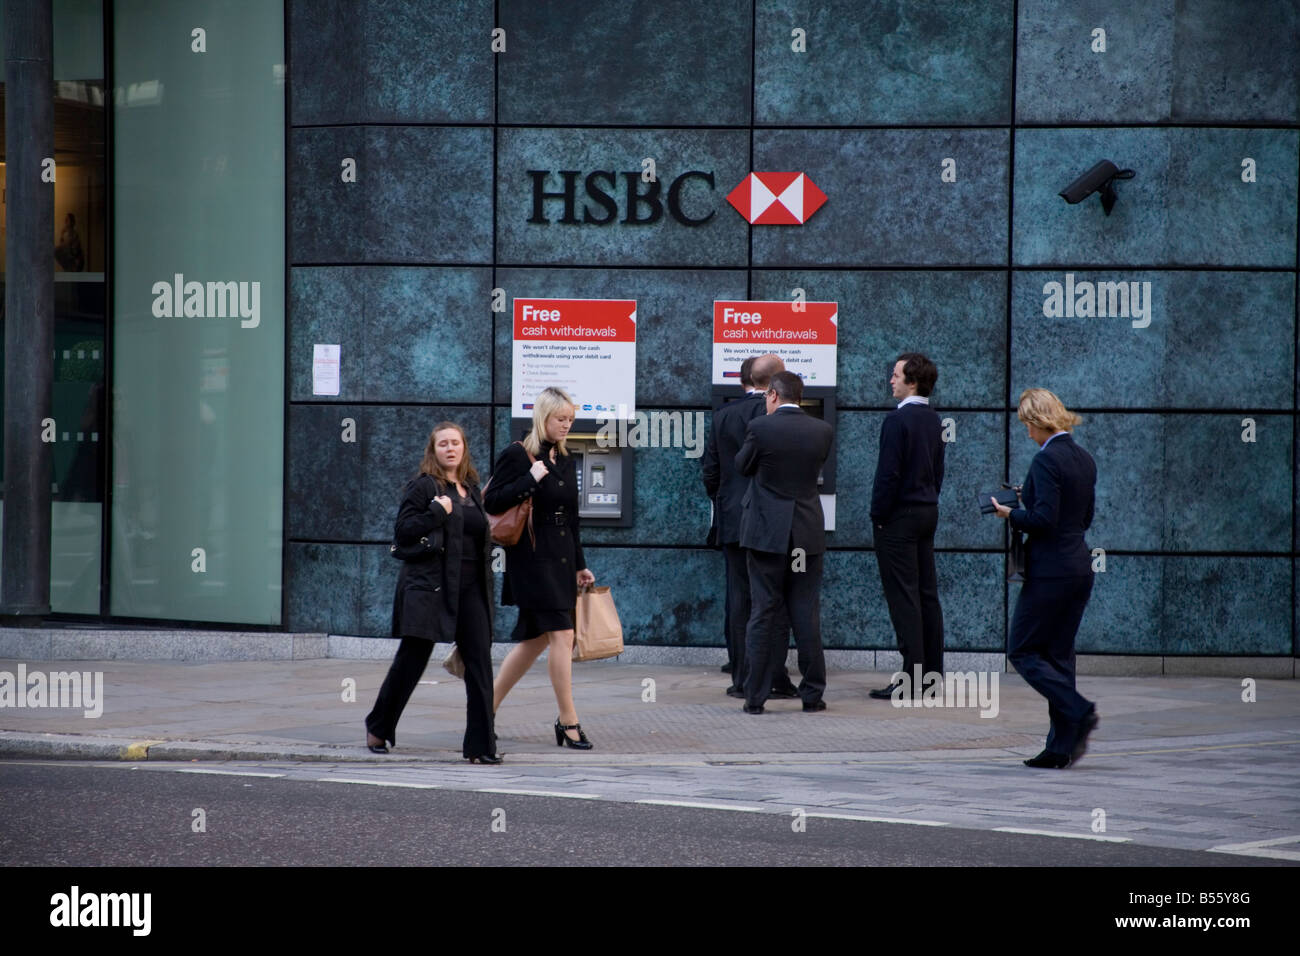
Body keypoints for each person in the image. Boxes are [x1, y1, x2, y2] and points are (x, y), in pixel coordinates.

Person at [366, 422, 499, 763]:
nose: (450, 448)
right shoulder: (423, 487)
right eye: (443, 444)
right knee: (412, 659)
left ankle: (481, 747)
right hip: (431, 586)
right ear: (433, 450)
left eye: (456, 443)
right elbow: (403, 531)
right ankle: (379, 725)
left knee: (481, 664)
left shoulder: (472, 489)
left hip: (470, 589)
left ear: (464, 448)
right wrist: (436, 512)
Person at [992, 388, 1099, 769]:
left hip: (1050, 571)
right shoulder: (1084, 459)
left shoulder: (1045, 461)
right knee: (1058, 656)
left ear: (1039, 421)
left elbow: (1043, 521)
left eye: (1027, 425)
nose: (1026, 433)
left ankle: (1078, 710)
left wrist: (1010, 514)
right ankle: (1060, 746)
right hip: (1078, 567)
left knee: (1022, 650)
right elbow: (1084, 517)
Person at [486, 387, 597, 750]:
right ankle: (568, 721)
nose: (566, 425)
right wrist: (530, 479)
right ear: (542, 417)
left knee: (533, 643)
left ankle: (484, 711)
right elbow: (492, 501)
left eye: (570, 419)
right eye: (560, 419)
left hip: (562, 558)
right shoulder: (519, 455)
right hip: (533, 560)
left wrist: (581, 565)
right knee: (563, 637)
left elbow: (573, 519)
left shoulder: (564, 457)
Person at [701, 353, 799, 700]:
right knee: (774, 599)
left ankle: (742, 678)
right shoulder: (781, 417)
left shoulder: (723, 416)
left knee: (739, 600)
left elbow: (710, 471)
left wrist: (727, 500)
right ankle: (774, 676)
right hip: (773, 521)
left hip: (733, 520)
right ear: (777, 382)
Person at [735, 370, 834, 713]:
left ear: (774, 395)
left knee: (763, 611)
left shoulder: (761, 427)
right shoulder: (822, 430)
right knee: (805, 613)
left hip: (766, 537)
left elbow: (742, 465)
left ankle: (756, 698)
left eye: (766, 397)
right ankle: (812, 695)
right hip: (804, 537)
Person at [869, 352, 946, 699]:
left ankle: (911, 677)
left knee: (903, 597)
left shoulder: (896, 421)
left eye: (897, 375)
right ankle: (931, 674)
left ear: (912, 381)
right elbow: (938, 472)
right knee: (927, 594)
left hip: (898, 516)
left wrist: (878, 515)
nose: (891, 380)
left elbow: (888, 475)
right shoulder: (933, 420)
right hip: (927, 510)